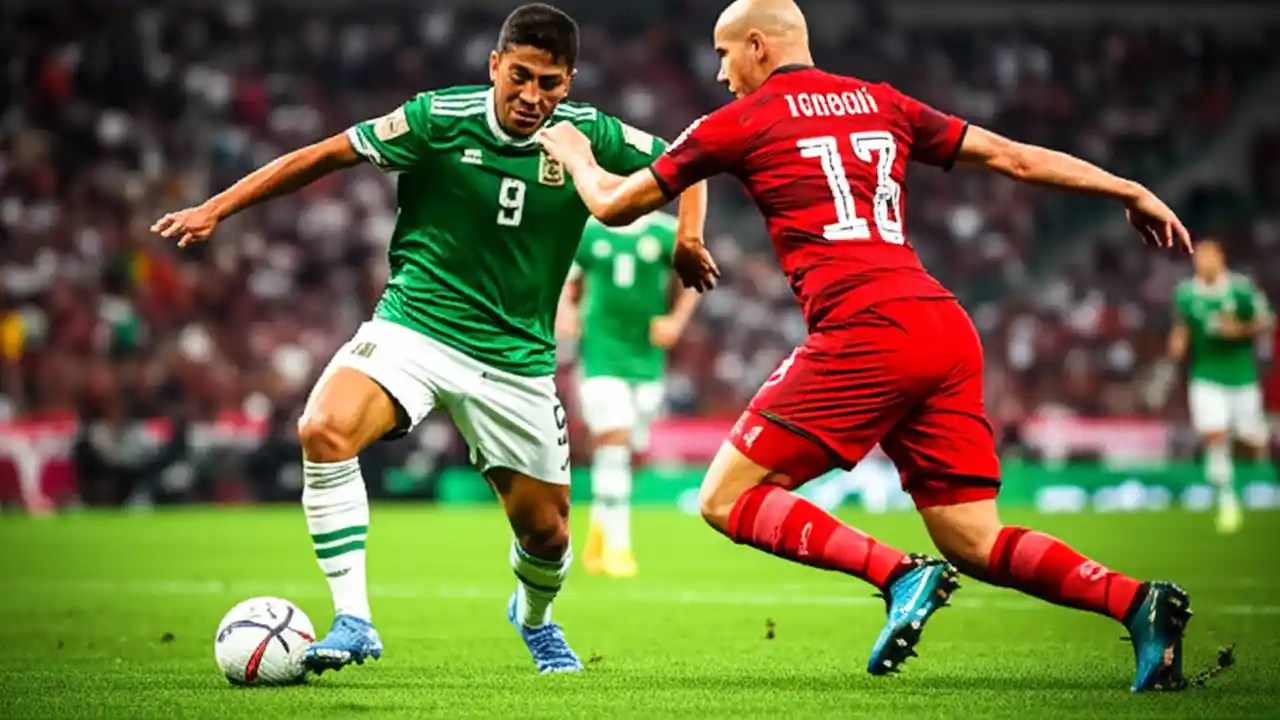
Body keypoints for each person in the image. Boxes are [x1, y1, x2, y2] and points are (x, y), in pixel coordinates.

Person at [535, 0, 1196, 692]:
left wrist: (578, 154)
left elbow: (611, 205)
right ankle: (1136, 603)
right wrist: (1127, 188)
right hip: (941, 325)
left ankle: (897, 573)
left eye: (725, 54)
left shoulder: (740, 120)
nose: (721, 73)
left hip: (864, 329)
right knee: (972, 539)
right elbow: (1012, 158)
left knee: (726, 498)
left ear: (758, 46)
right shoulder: (881, 102)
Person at [152, 3, 706, 675]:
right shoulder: (435, 120)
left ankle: (534, 619)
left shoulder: (585, 133)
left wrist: (688, 238)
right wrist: (217, 207)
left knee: (548, 533)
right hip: (417, 326)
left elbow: (693, 154)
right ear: (495, 65)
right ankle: (354, 619)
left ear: (570, 81)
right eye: (521, 76)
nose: (532, 96)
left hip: (516, 360)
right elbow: (326, 155)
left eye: (550, 83)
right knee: (323, 429)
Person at [557, 213, 701, 577]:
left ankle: (599, 528)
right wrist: (566, 313)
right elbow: (560, 276)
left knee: (631, 451)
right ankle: (619, 547)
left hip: (647, 359)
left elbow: (696, 277)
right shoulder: (587, 232)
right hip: (601, 354)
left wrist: (676, 321)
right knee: (614, 441)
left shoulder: (665, 232)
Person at [1168, 239, 1273, 533]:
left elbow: (1265, 321)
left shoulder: (1240, 289)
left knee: (1250, 442)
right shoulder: (1186, 294)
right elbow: (1183, 326)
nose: (1203, 263)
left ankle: (1251, 480)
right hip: (1205, 375)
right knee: (1215, 435)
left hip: (1242, 376)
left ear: (1220, 258)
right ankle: (1227, 501)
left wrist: (1239, 329)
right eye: (1198, 258)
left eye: (1208, 257)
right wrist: (1177, 344)